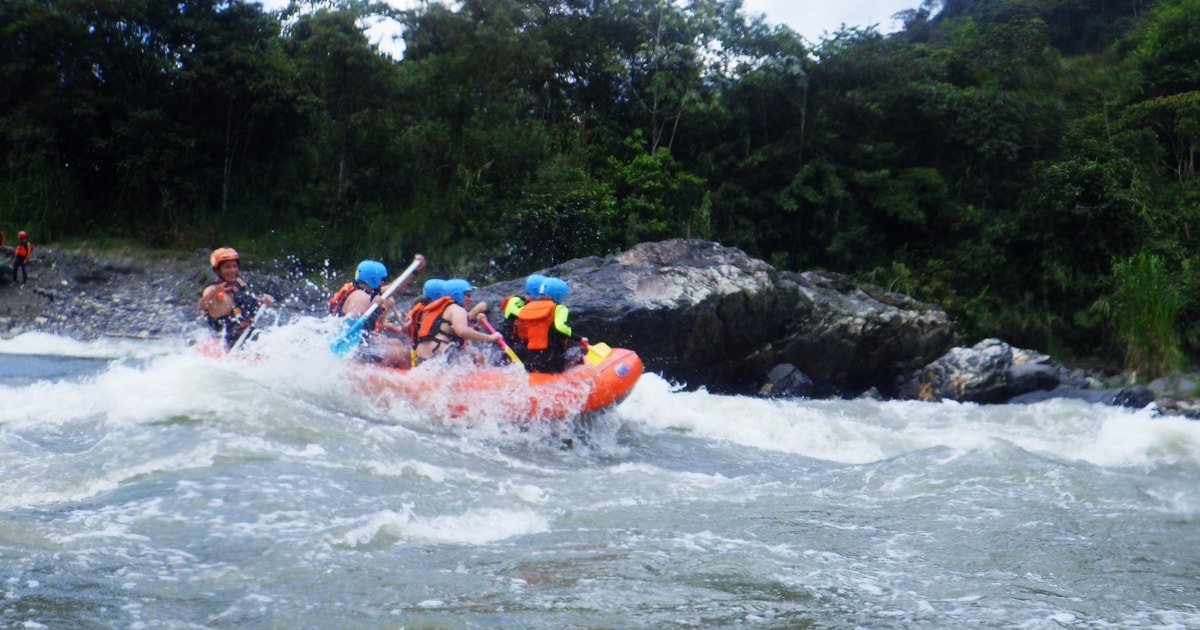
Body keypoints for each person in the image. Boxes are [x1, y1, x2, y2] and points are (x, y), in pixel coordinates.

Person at [328, 259, 421, 368]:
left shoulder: (365, 290)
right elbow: (353, 328)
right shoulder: (360, 298)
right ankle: (401, 380)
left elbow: (395, 287)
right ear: (374, 279)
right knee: (403, 354)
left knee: (396, 342)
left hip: (360, 342)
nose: (383, 282)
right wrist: (374, 304)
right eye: (382, 279)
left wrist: (415, 270)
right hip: (354, 351)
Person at [197, 247, 275, 350]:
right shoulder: (212, 289)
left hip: (247, 336)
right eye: (227, 267)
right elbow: (201, 306)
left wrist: (262, 300)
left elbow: (246, 301)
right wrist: (215, 292)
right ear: (218, 270)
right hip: (227, 342)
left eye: (234, 266)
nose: (232, 270)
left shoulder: (239, 283)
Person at [413, 278, 502, 365]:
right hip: (440, 358)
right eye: (468, 295)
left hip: (421, 359)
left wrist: (477, 326)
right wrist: (490, 337)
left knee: (470, 351)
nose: (470, 300)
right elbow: (462, 331)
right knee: (478, 356)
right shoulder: (457, 309)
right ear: (457, 294)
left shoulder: (432, 309)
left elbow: (449, 332)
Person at [512, 277, 587, 373]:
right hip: (552, 360)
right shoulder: (559, 308)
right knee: (577, 352)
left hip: (531, 360)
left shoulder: (528, 308)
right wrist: (579, 338)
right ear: (558, 295)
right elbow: (560, 327)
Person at [499, 273, 545, 347]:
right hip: (510, 342)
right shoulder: (514, 301)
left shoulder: (537, 305)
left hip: (523, 342)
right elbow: (525, 314)